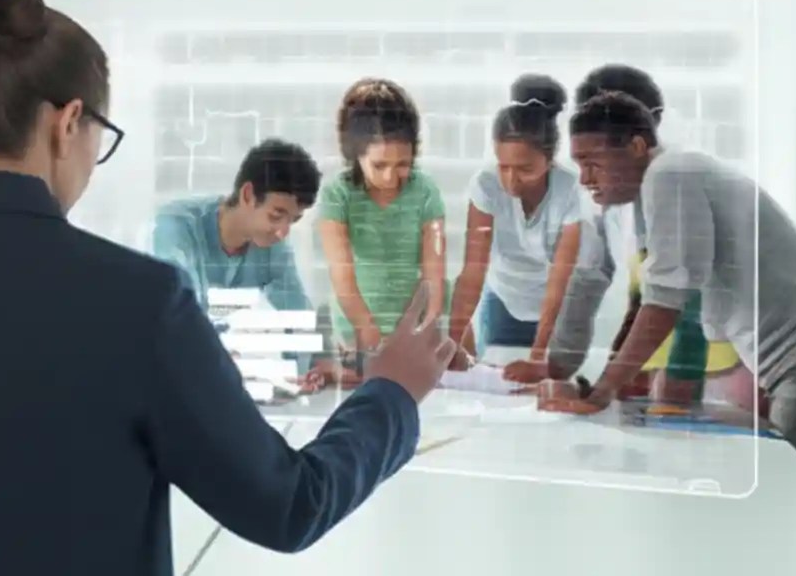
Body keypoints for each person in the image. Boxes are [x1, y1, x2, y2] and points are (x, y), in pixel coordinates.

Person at [0, 0, 457, 576]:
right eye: (98, 135)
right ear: (66, 122)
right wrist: (390, 394)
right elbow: (288, 507)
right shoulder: (142, 303)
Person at [534, 89, 796, 469]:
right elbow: (679, 296)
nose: (584, 179)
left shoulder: (669, 176)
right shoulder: (668, 180)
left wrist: (603, 390)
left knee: (789, 491)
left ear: (637, 146)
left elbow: (665, 302)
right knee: (777, 488)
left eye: (592, 162)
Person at [505, 64, 755, 411]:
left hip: (725, 360)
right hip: (658, 353)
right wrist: (558, 367)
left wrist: (674, 378)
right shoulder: (606, 194)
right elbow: (587, 281)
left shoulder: (676, 182)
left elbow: (687, 298)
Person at [152, 138, 325, 380]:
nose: (283, 231)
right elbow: (183, 306)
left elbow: (296, 312)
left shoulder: (274, 248)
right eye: (276, 215)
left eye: (293, 220)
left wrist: (296, 374)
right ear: (247, 195)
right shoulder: (178, 225)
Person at [316, 78, 448, 382]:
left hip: (413, 333)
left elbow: (434, 276)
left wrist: (422, 333)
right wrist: (369, 335)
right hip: (355, 335)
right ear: (355, 155)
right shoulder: (338, 194)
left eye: (403, 163)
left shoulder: (426, 191)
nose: (391, 176)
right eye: (379, 165)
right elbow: (342, 277)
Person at [447, 74, 581, 369]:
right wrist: (451, 345)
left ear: (549, 160)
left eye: (525, 169)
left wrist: (538, 356)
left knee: (546, 384)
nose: (511, 180)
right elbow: (472, 272)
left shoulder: (571, 190)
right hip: (504, 301)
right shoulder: (485, 186)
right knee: (498, 377)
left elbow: (561, 282)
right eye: (504, 166)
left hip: (557, 309)